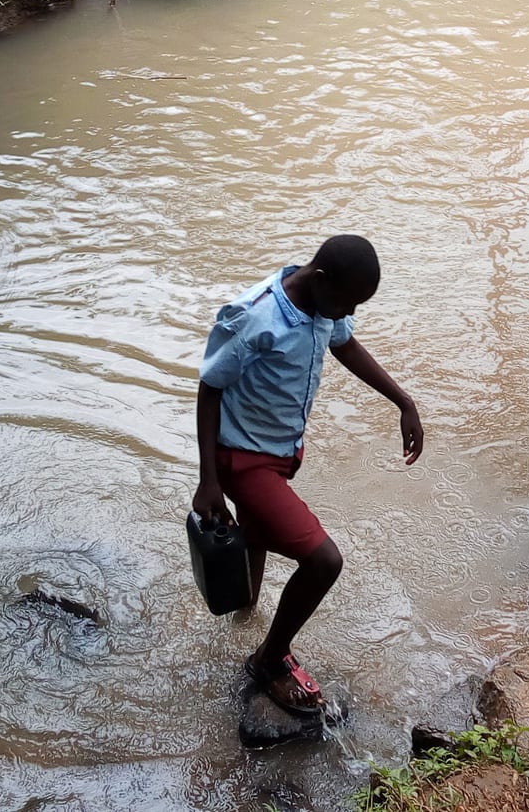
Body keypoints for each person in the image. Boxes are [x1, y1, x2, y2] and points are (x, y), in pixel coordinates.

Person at [192, 234, 424, 713]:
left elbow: (345, 344)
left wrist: (403, 402)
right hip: (243, 460)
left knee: (255, 544)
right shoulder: (256, 318)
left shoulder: (323, 303)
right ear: (320, 279)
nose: (348, 313)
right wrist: (208, 481)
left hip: (278, 453)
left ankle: (242, 627)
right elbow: (210, 387)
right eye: (347, 303)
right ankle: (267, 658)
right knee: (324, 562)